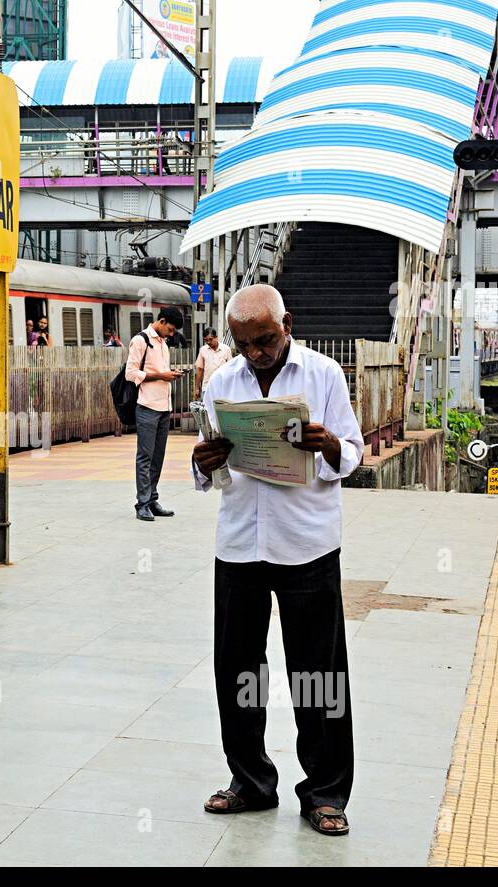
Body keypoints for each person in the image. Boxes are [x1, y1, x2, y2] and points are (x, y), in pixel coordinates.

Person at [192, 284, 363, 837]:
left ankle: (325, 792)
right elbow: (209, 479)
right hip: (240, 543)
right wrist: (205, 462)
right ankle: (250, 782)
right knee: (238, 670)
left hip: (306, 543)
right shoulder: (223, 382)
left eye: (265, 340)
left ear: (287, 322)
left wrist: (328, 445)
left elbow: (354, 454)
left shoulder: (323, 375)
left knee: (318, 673)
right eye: (246, 345)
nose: (258, 354)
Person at [125, 305, 185, 521]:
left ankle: (152, 499)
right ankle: (142, 503)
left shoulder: (163, 343)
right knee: (145, 457)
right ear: (161, 321)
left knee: (157, 457)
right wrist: (161, 375)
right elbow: (130, 373)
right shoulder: (141, 340)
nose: (171, 334)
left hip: (164, 407)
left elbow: (160, 372)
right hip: (147, 406)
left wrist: (169, 375)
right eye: (170, 329)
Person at [193, 327, 233, 396]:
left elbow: (231, 368)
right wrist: (196, 388)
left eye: (210, 339)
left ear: (216, 337)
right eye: (206, 340)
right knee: (207, 406)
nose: (208, 342)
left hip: (223, 386)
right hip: (207, 386)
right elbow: (199, 369)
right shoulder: (203, 350)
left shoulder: (226, 349)